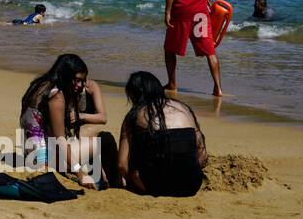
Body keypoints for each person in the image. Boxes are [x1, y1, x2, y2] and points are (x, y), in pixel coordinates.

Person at [18, 54, 117, 187]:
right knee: (106, 139)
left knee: (88, 137)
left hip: (29, 155)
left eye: (82, 81)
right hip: (45, 161)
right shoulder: (56, 96)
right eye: (77, 80)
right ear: (66, 75)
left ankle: (101, 176)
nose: (80, 85)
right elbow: (60, 140)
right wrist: (80, 174)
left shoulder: (39, 85)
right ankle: (114, 184)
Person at [117, 71, 207, 197]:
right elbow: (202, 154)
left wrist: (133, 182)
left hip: (153, 187)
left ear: (133, 95)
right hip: (191, 185)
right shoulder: (184, 108)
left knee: (138, 148)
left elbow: (121, 165)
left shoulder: (133, 115)